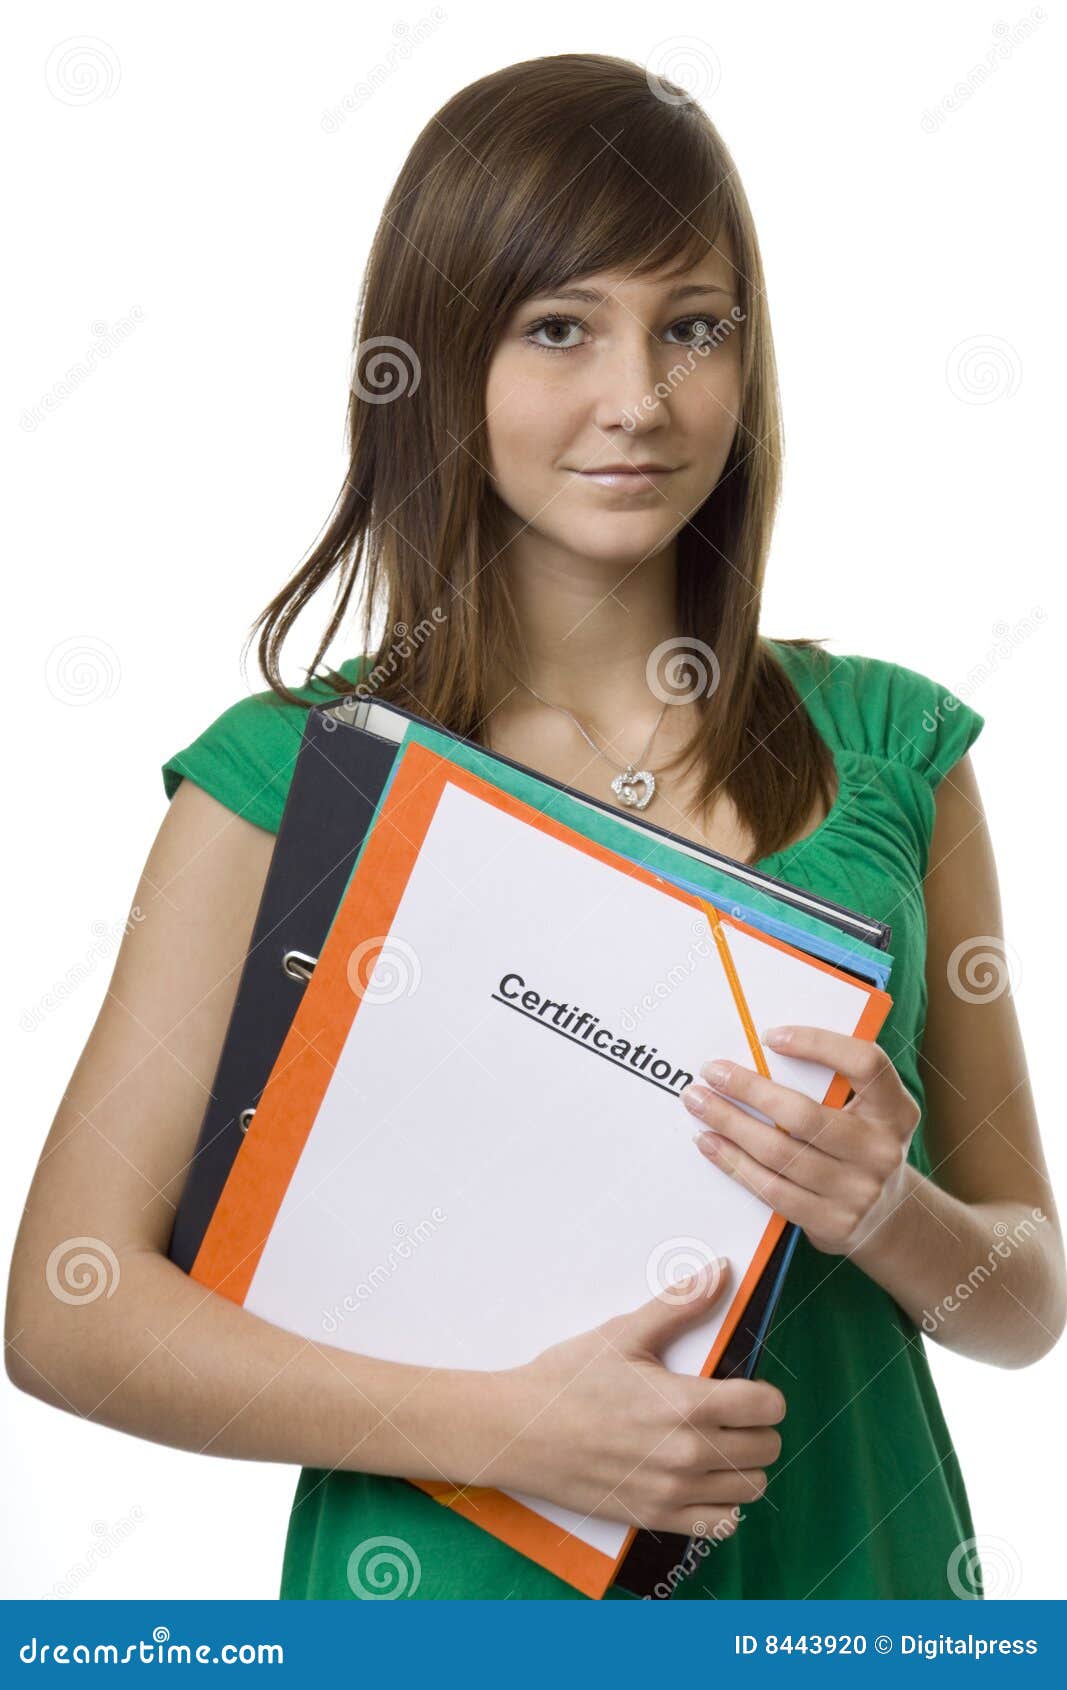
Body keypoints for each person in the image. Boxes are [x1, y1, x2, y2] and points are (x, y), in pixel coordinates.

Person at [7, 52, 1063, 1603]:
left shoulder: (892, 744)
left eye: (692, 327)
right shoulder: (288, 782)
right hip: (448, 1602)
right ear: (436, 362)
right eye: (558, 328)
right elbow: (66, 1307)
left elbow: (1022, 1298)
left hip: (859, 1588)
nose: (639, 397)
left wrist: (892, 1213)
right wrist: (515, 1428)